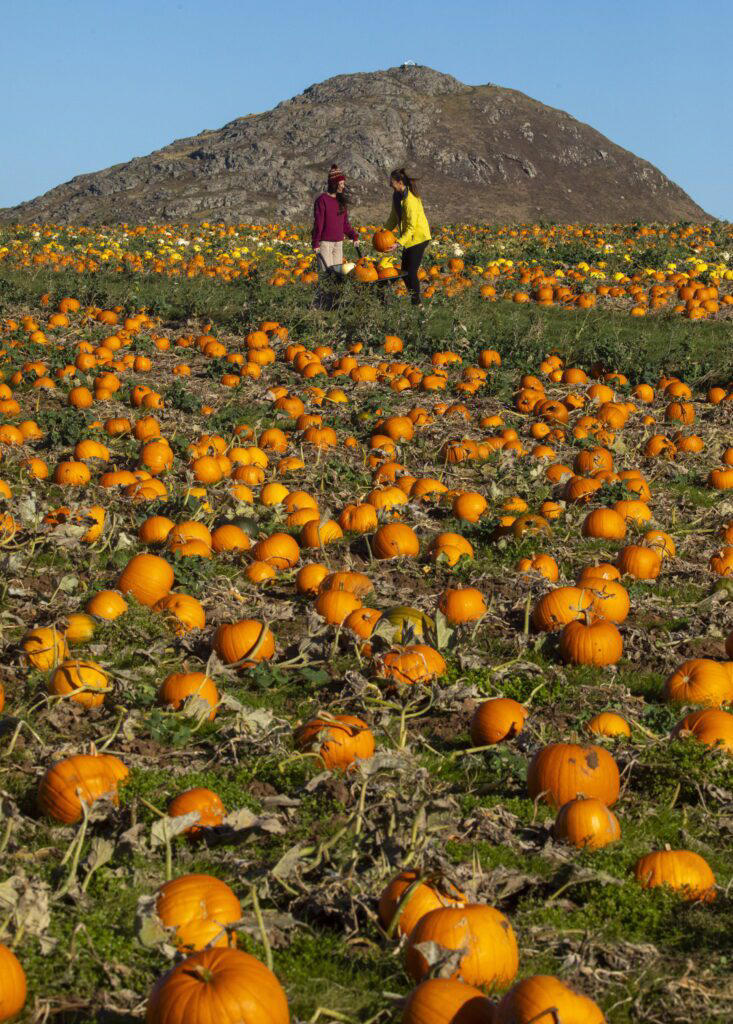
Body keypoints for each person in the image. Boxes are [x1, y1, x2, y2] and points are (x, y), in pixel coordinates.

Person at [383, 169, 431, 305]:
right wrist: (384, 231)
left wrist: (398, 243)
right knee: (404, 271)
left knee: (411, 271)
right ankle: (414, 299)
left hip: (419, 238)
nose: (389, 184)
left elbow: (411, 226)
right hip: (409, 238)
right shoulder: (396, 196)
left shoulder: (411, 200)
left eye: (391, 182)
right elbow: (394, 217)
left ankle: (417, 303)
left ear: (399, 182)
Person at [312, 164, 361, 275]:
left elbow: (344, 224)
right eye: (341, 183)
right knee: (326, 274)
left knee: (338, 275)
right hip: (325, 243)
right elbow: (318, 223)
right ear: (334, 184)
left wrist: (353, 236)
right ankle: (324, 293)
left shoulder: (341, 201)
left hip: (338, 243)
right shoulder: (322, 200)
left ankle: (335, 293)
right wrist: (315, 242)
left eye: (343, 183)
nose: (343, 186)